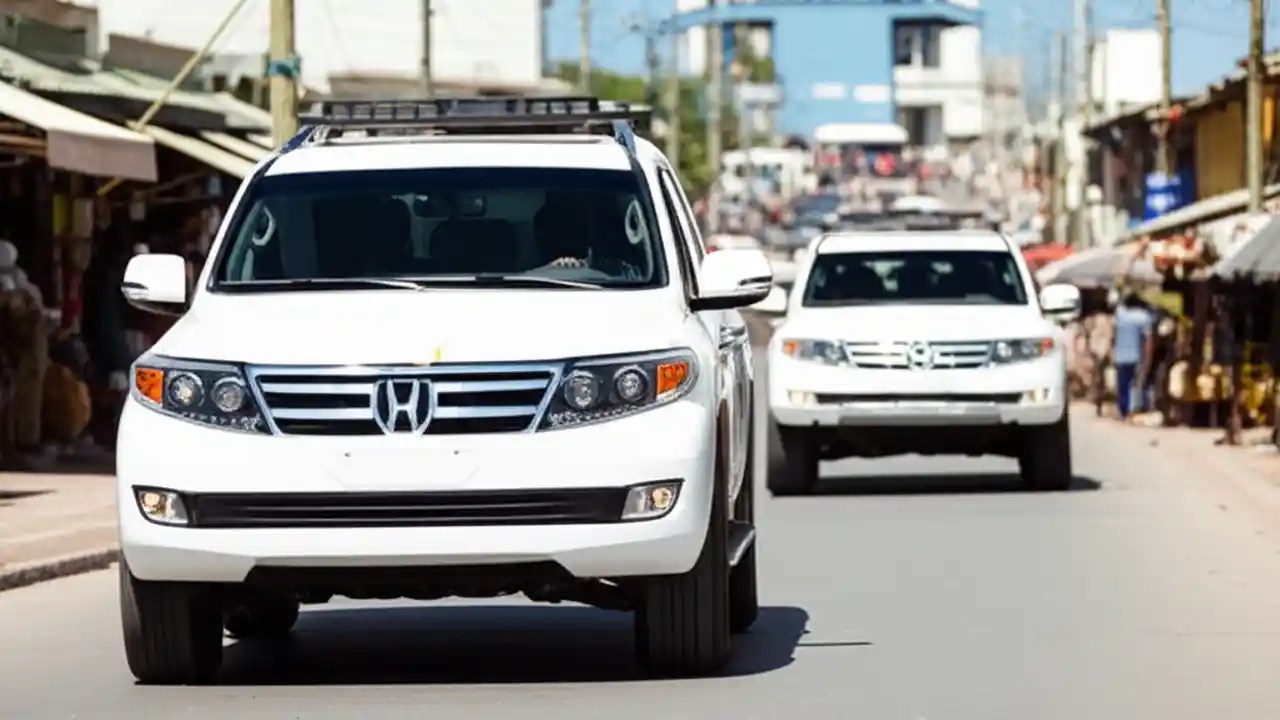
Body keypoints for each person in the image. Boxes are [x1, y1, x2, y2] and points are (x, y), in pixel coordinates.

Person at [1113, 290, 1155, 420]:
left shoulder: (1120, 314)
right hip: (1136, 356)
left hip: (1120, 356)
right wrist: (1148, 357)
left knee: (1123, 384)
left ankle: (1123, 411)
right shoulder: (1144, 316)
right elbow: (1148, 340)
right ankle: (1134, 410)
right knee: (1137, 383)